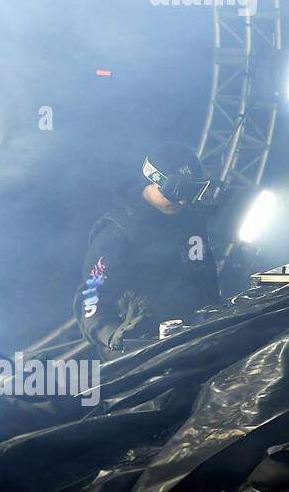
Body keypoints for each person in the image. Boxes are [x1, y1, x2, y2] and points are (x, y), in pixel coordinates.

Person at [75, 144, 220, 357]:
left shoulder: (191, 220)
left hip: (202, 338)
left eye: (192, 191)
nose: (183, 200)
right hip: (145, 353)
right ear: (154, 180)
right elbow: (92, 295)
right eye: (177, 191)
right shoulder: (117, 232)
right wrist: (113, 335)